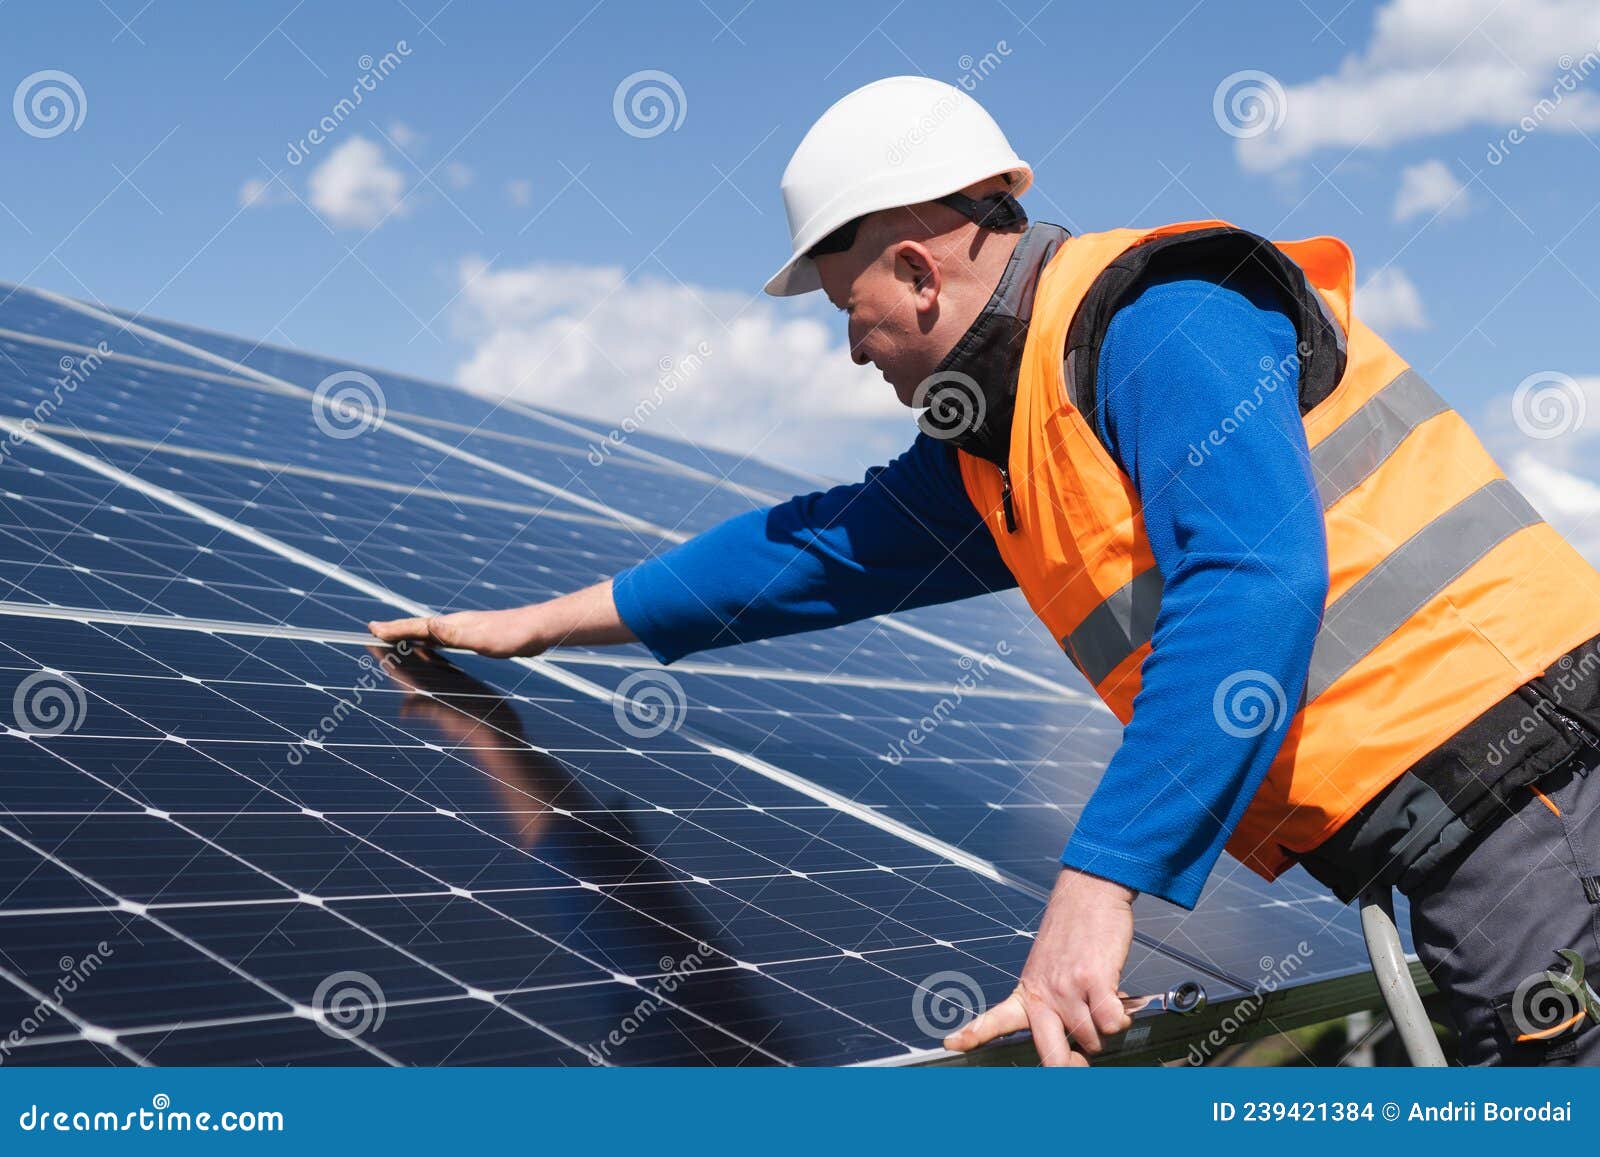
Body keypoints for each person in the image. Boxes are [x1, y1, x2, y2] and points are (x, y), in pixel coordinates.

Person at [373, 76, 1600, 1066]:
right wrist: (542, 623)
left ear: (917, 270)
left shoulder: (1161, 317)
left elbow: (1252, 580)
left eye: (847, 307)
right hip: (1481, 835)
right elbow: (809, 552)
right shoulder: (999, 440)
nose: (852, 349)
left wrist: (1098, 887)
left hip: (1538, 798)